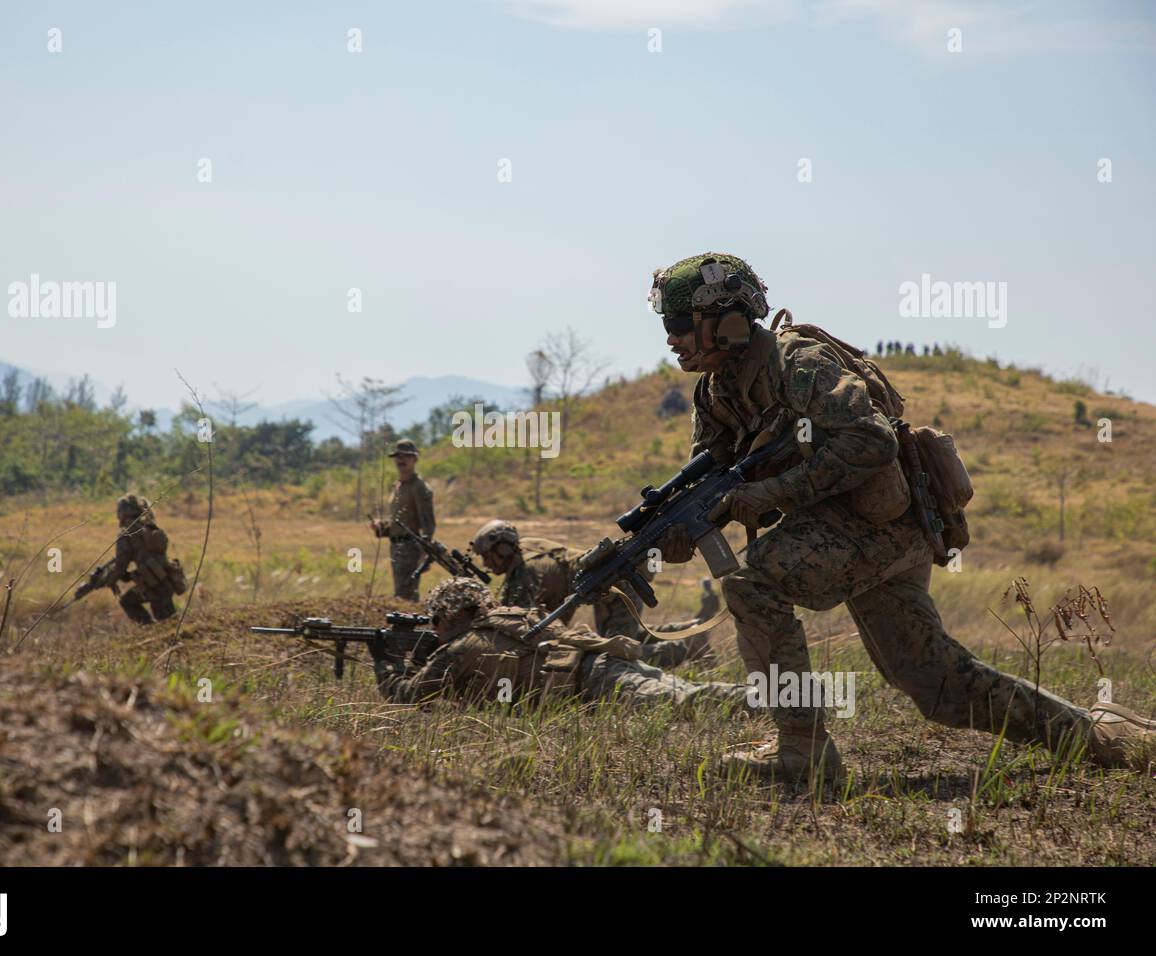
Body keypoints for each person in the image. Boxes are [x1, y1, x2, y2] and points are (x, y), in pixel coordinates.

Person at [645, 251, 1155, 783]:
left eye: (680, 324)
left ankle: (802, 748)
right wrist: (680, 531)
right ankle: (1098, 735)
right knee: (937, 683)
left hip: (885, 524)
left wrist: (775, 489)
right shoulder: (716, 391)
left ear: (727, 320)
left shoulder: (799, 364)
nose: (670, 339)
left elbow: (871, 440)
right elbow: (714, 484)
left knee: (752, 582)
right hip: (854, 530)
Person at [369, 578, 750, 715]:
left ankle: (797, 696)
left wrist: (384, 663)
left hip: (594, 683)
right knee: (691, 694)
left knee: (692, 702)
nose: (433, 631)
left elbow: (409, 696)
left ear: (450, 616)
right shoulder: (511, 616)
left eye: (435, 621)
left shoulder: (459, 650)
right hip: (603, 664)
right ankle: (794, 691)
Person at [469, 519, 716, 667]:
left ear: (502, 548)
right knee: (624, 637)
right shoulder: (526, 550)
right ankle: (691, 637)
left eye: (487, 556)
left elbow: (521, 626)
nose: (486, 565)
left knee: (620, 655)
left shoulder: (527, 572)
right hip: (606, 583)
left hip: (615, 584)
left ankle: (682, 649)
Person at [78, 494, 186, 624]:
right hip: (165, 581)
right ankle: (154, 632)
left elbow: (120, 566)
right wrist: (126, 576)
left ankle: (149, 630)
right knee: (169, 621)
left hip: (154, 586)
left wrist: (103, 581)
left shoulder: (127, 534)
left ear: (123, 513)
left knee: (131, 604)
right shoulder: (148, 526)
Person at [369, 438, 436, 601]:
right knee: (400, 594)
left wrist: (424, 553)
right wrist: (381, 527)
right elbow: (400, 521)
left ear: (415, 459)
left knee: (406, 596)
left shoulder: (419, 487)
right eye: (398, 456)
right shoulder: (397, 486)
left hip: (410, 548)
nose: (401, 460)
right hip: (396, 546)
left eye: (406, 456)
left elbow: (428, 524)